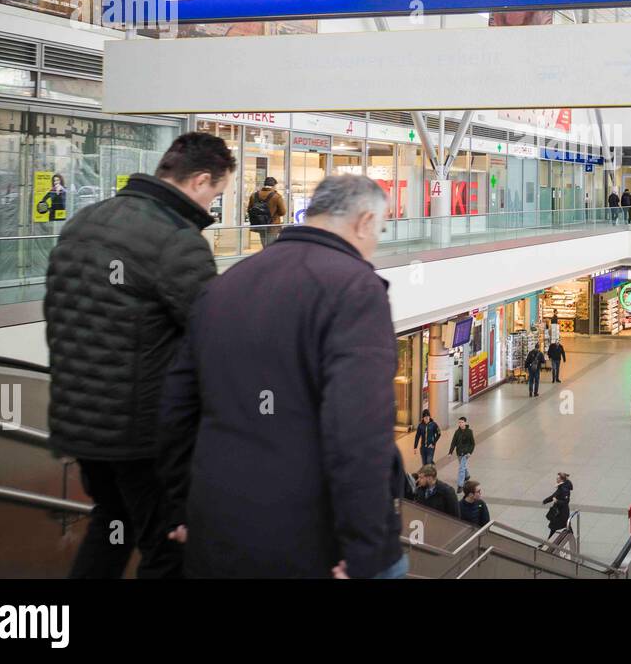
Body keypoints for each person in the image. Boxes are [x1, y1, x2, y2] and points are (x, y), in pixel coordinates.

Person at [158, 174, 406, 579]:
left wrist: (180, 509)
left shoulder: (227, 283)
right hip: (307, 541)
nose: (375, 243)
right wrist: (367, 546)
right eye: (378, 230)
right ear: (363, 222)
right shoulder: (355, 290)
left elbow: (175, 408)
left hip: (216, 526)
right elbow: (358, 431)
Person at [45, 132, 236, 579]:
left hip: (82, 425)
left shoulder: (84, 221)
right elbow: (214, 336)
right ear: (200, 180)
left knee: (112, 528)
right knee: (171, 548)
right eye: (216, 194)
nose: (212, 207)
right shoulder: (176, 240)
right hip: (143, 436)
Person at [247, 176, 287, 248]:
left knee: (264, 245)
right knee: (272, 247)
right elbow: (283, 212)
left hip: (260, 224)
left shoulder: (254, 195)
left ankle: (265, 257)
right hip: (272, 225)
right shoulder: (277, 196)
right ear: (274, 186)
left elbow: (249, 210)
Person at [448, 416, 475, 489]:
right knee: (463, 467)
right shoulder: (457, 432)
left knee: (461, 468)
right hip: (459, 453)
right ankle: (467, 475)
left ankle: (460, 485)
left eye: (462, 422)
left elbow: (472, 444)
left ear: (465, 423)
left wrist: (470, 452)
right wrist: (450, 452)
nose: (460, 424)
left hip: (466, 453)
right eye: (459, 422)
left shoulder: (469, 432)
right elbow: (453, 443)